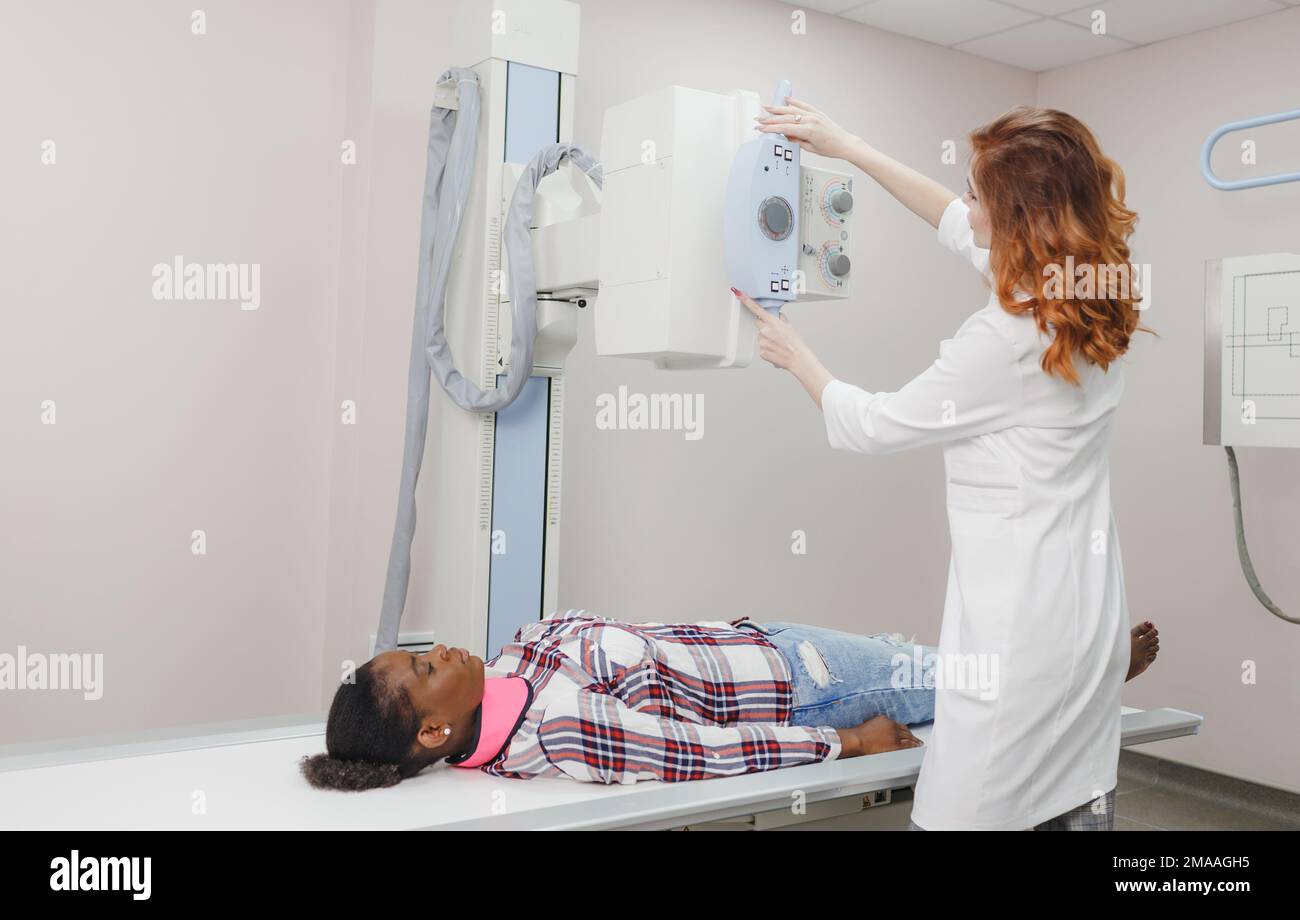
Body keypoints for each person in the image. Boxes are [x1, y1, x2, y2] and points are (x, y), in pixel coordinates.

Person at [747, 100, 1148, 830]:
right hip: (1087, 622)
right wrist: (850, 145)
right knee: (1071, 803)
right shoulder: (1094, 288)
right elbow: (948, 219)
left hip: (1017, 638)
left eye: (976, 193)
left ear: (1019, 216)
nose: (963, 204)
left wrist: (792, 352)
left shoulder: (1004, 340)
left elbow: (871, 425)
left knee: (964, 812)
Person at [300, 610, 1158, 792]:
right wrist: (849, 748)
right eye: (423, 666)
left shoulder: (512, 659)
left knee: (944, 674)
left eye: (420, 647)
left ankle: (1068, 679)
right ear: (438, 728)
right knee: (950, 675)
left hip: (770, 643)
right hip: (808, 688)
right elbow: (700, 755)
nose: (439, 649)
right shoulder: (559, 729)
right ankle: (1088, 671)